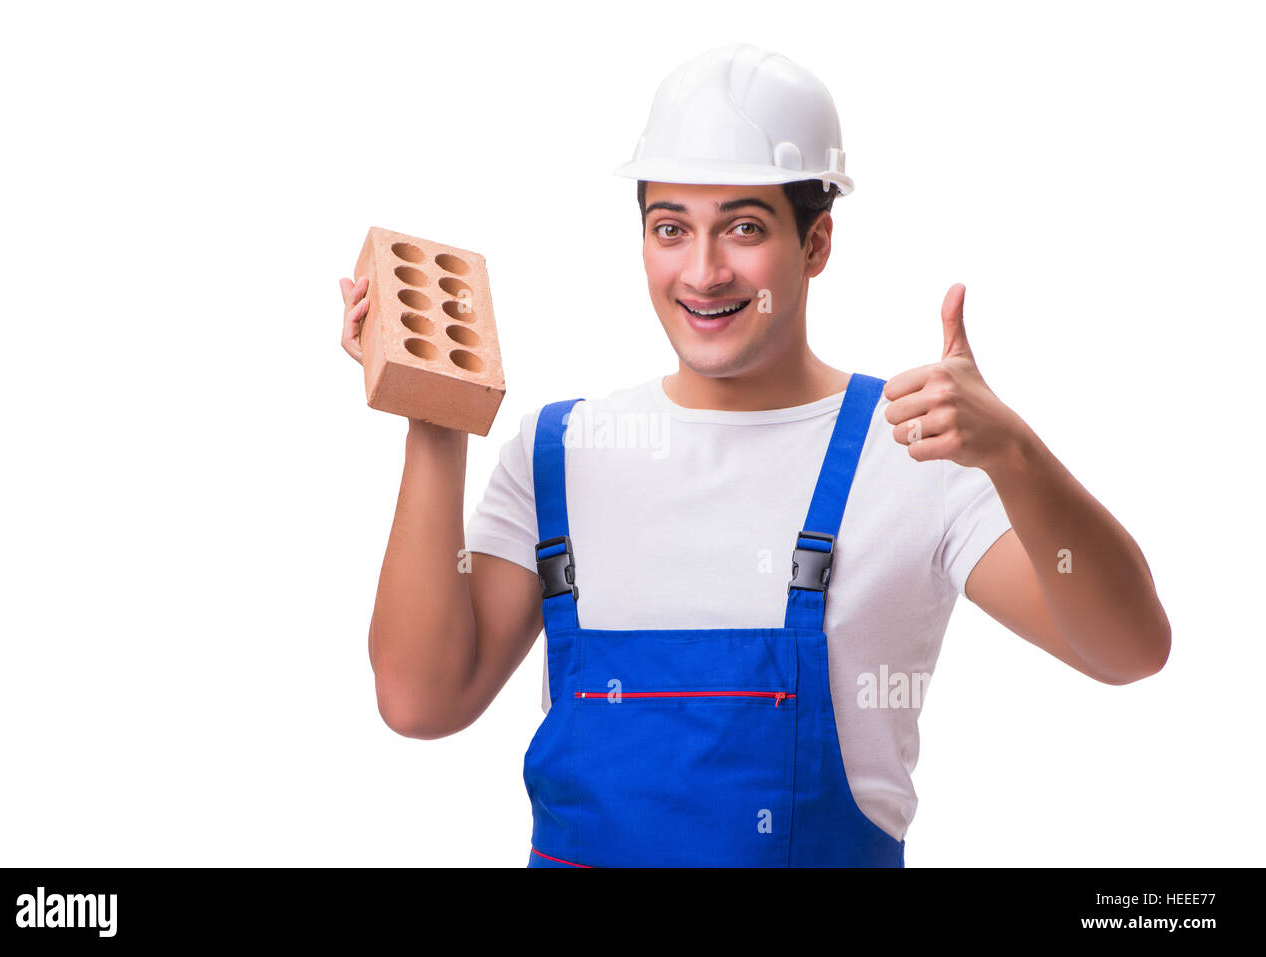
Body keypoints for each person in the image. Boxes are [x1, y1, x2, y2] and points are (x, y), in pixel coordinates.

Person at [338, 43, 1170, 867]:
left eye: (743, 227)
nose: (703, 272)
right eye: (671, 228)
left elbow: (1130, 649)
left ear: (816, 244)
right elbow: (419, 699)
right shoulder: (560, 450)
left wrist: (1017, 454)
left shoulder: (916, 446)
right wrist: (433, 417)